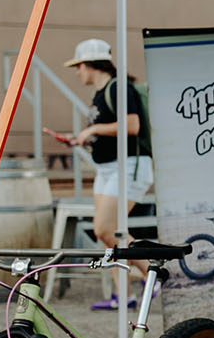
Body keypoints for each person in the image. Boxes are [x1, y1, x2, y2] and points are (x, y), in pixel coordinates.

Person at [55, 38, 154, 310]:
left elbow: (132, 125)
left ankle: (152, 275)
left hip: (129, 167)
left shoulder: (119, 87)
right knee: (112, 234)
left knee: (106, 228)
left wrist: (93, 131)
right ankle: (123, 296)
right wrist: (79, 139)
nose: (77, 72)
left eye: (79, 66)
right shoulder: (100, 94)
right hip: (107, 169)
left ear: (91, 65)